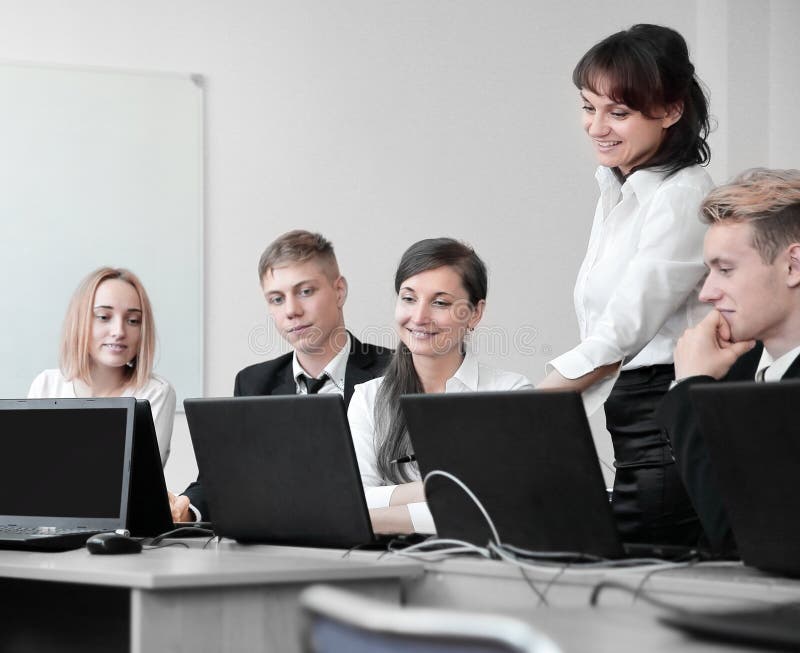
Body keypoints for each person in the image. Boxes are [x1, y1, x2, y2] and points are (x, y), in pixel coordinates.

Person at [537, 24, 715, 544]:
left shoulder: (682, 196)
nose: (597, 126)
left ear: (671, 110)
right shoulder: (618, 188)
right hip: (632, 419)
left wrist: (523, 407)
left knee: (645, 577)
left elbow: (620, 334)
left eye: (618, 112)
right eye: (588, 107)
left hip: (664, 425)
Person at [170, 230, 391, 521]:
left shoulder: (394, 371)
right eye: (276, 299)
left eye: (305, 292)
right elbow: (225, 477)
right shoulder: (253, 383)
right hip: (275, 547)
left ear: (339, 291)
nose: (291, 311)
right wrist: (185, 509)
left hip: (371, 546)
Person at [657, 168, 800, 553]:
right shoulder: (734, 370)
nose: (706, 293)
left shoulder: (706, 379)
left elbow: (746, 538)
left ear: (793, 266)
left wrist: (689, 390)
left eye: (725, 270)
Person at [348, 238, 533, 535]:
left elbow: (503, 508)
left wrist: (380, 516)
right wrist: (437, 488)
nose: (419, 317)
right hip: (384, 566)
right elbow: (350, 501)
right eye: (409, 298)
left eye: (440, 302)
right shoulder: (369, 398)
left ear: (475, 312)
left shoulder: (511, 394)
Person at [28, 267, 176, 466]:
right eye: (104, 317)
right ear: (80, 322)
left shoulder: (154, 393)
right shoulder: (46, 385)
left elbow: (138, 478)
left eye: (133, 321)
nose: (119, 331)